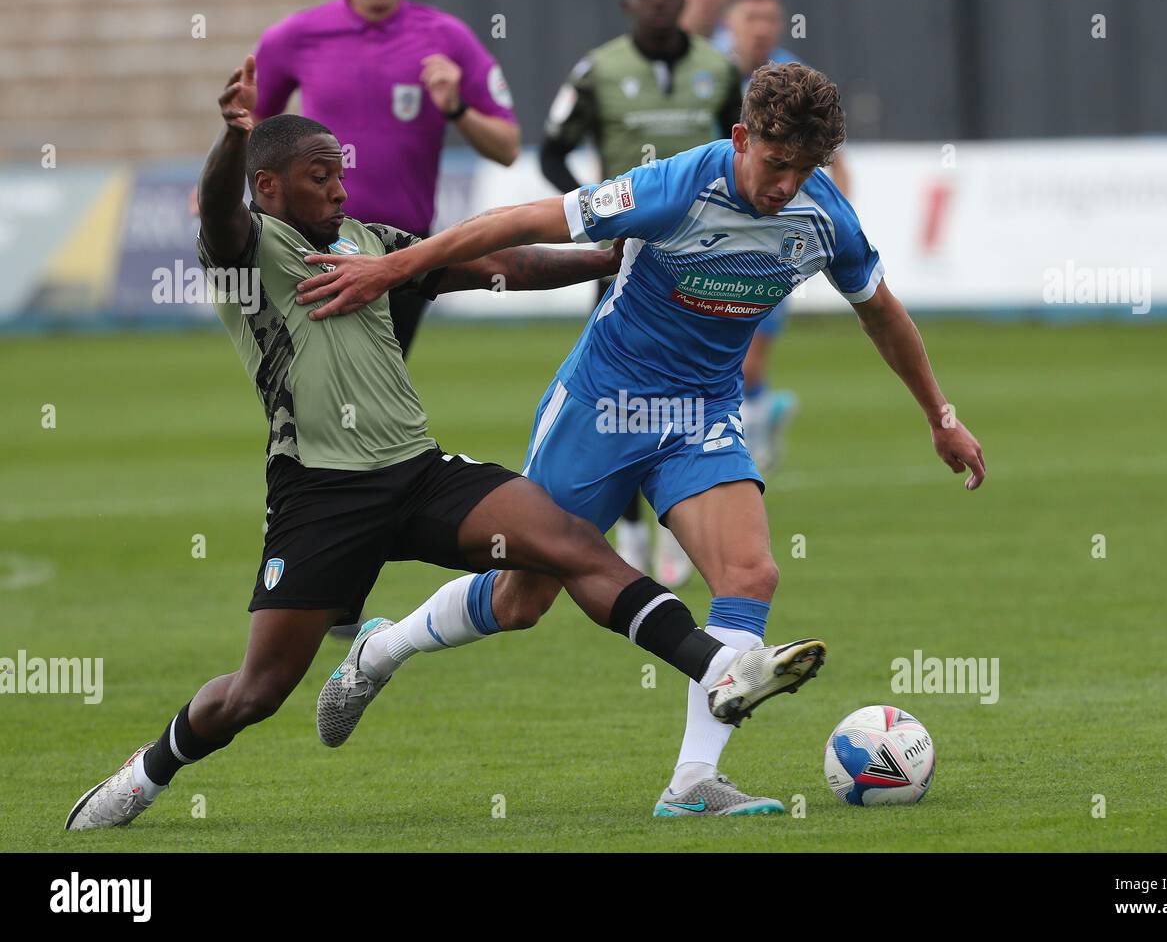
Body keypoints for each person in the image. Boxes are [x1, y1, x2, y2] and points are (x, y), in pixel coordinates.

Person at [64, 57, 827, 831]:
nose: (340, 189)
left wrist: (606, 255)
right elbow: (218, 222)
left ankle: (723, 669)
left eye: (340, 175)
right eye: (321, 178)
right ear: (268, 188)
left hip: (421, 475)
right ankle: (148, 772)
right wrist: (234, 137)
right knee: (256, 693)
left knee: (570, 545)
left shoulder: (371, 240)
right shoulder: (246, 255)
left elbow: (499, 266)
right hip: (322, 495)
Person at [294, 61, 986, 817]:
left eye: (806, 168)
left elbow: (881, 313)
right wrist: (395, 267)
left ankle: (692, 783)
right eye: (777, 162)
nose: (788, 184)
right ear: (741, 137)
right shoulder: (677, 187)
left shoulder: (826, 221)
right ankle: (381, 650)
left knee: (750, 574)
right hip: (602, 404)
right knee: (525, 600)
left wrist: (939, 415)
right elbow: (523, 220)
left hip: (701, 416)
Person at [541, 0, 743, 586]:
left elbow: (749, 144)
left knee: (703, 381)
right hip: (627, 260)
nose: (657, 4)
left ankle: (679, 520)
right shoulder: (598, 70)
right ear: (627, 3)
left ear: (681, 1)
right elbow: (553, 150)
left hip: (708, 259)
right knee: (617, 390)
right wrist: (595, 215)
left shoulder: (719, 68)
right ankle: (631, 530)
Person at [254, 0, 520, 359]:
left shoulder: (446, 37)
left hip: (404, 252)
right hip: (317, 245)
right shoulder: (295, 35)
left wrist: (457, 109)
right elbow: (254, 120)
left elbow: (507, 146)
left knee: (379, 384)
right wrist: (220, 180)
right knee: (321, 383)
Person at [697, 0, 853, 471]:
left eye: (770, 19)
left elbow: (834, 161)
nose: (762, 28)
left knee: (750, 355)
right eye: (751, 18)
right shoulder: (704, 72)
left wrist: (841, 221)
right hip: (705, 231)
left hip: (770, 234)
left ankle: (745, 444)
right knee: (714, 351)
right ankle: (751, 422)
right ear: (730, 23)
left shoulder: (792, 80)